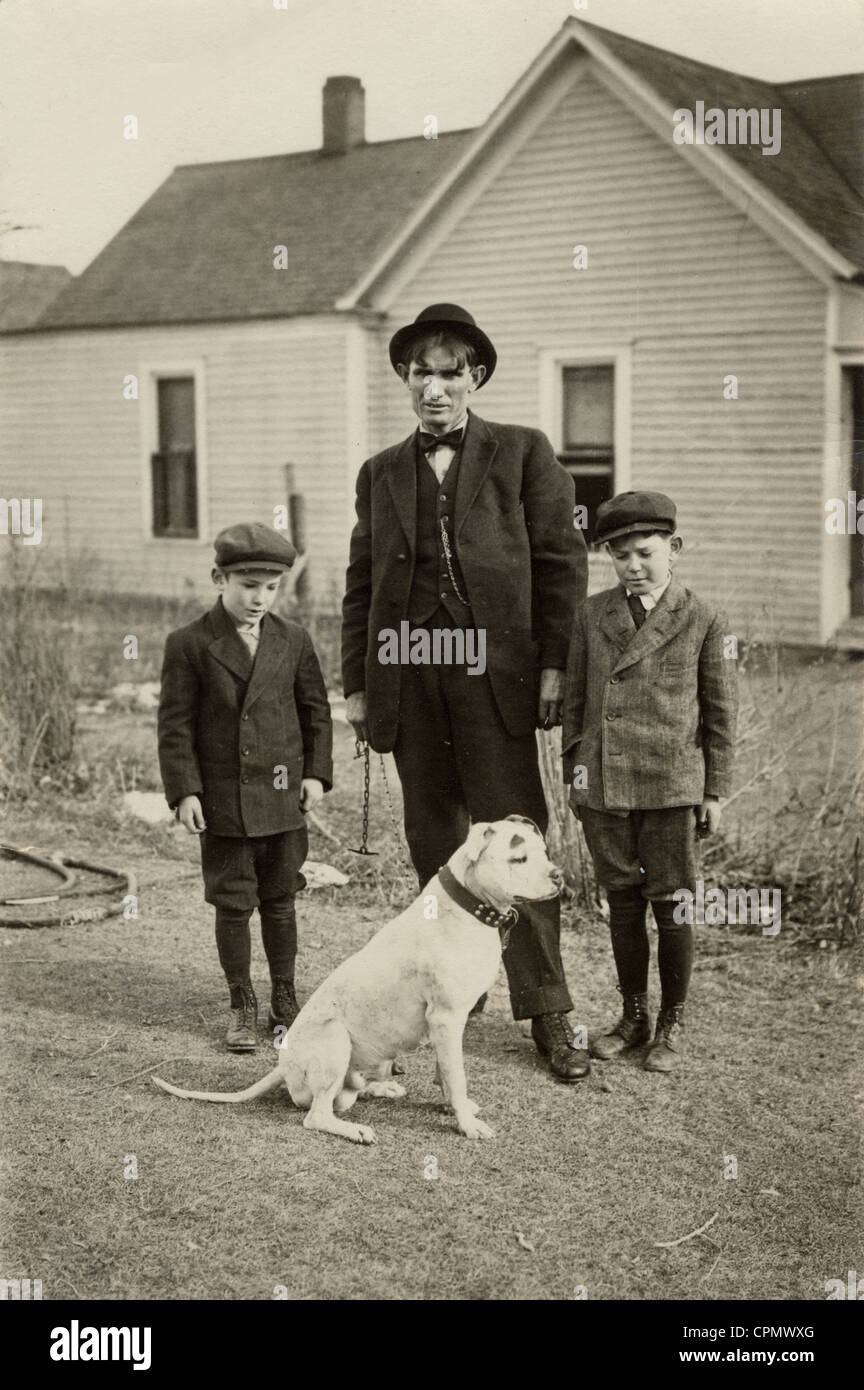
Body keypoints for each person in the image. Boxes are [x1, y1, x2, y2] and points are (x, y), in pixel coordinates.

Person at [341, 302, 590, 1082]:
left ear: (474, 377)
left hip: (496, 679)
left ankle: (548, 1008)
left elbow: (561, 564)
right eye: (422, 373)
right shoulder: (380, 473)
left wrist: (553, 664)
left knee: (518, 843)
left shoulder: (522, 454)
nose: (436, 388)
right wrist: (358, 683)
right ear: (407, 381)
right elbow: (360, 586)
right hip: (411, 677)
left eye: (451, 373)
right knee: (435, 840)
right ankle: (454, 986)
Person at [561, 491, 738, 1071]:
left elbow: (719, 712)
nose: (633, 566)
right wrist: (576, 773)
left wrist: (714, 791)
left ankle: (671, 1022)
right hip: (605, 783)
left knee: (674, 905)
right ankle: (632, 1016)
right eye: (620, 556)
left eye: (645, 553)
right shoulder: (592, 613)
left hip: (671, 784)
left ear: (675, 549)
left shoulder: (703, 617)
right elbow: (576, 702)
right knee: (621, 900)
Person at [158, 522, 333, 1051]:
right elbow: (175, 726)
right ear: (219, 578)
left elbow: (317, 713)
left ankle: (284, 997)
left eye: (271, 587)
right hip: (224, 803)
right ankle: (242, 1003)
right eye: (248, 585)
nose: (260, 598)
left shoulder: (293, 640)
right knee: (233, 904)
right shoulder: (189, 643)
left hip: (282, 801)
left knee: (281, 900)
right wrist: (185, 791)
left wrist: (315, 775)